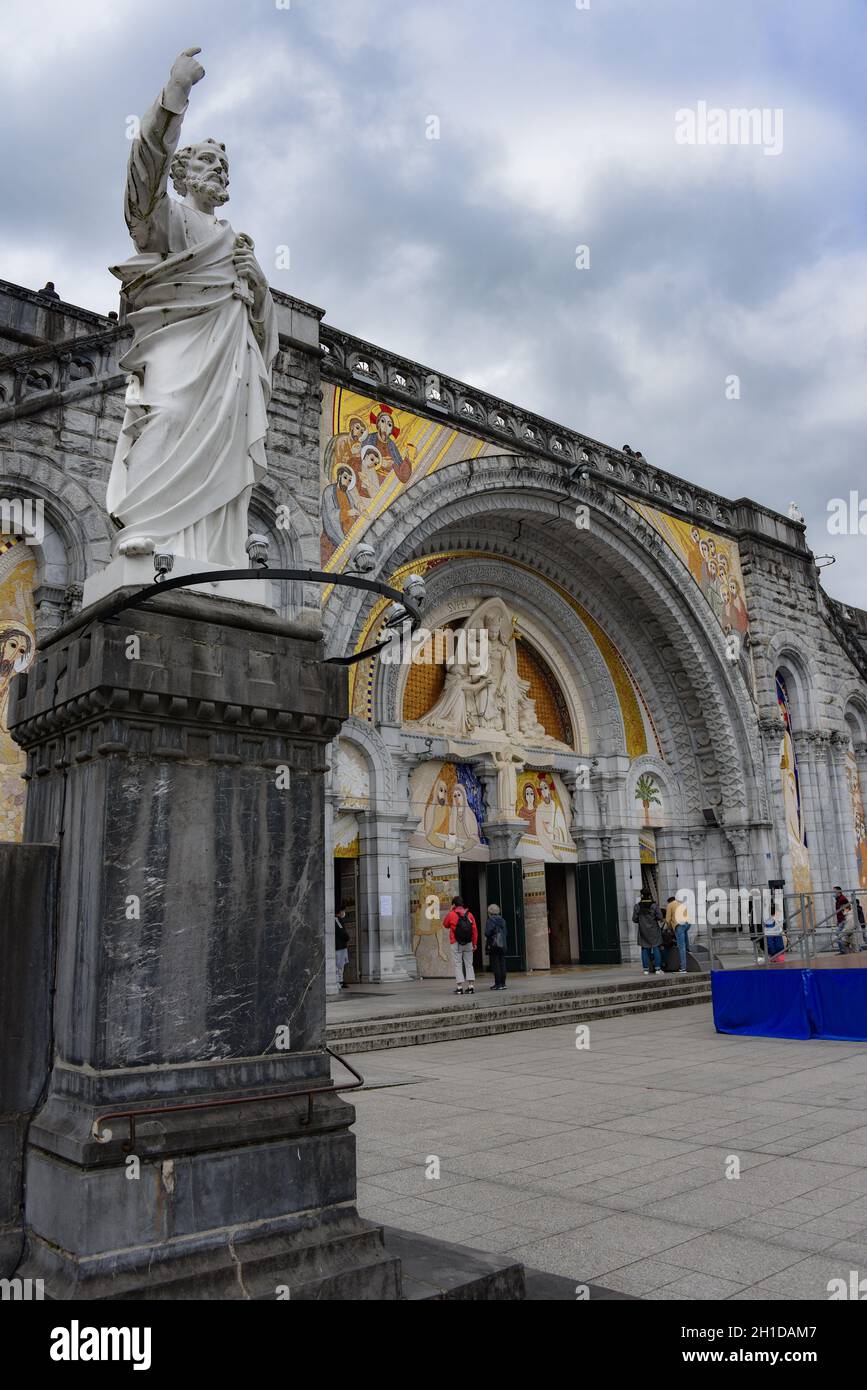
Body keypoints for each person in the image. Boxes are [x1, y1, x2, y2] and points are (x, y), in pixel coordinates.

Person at [443, 896, 477, 995]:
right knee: (469, 963)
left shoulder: (452, 914)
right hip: (468, 942)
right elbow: (474, 930)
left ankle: (459, 987)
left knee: (458, 964)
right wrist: (474, 943)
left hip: (456, 943)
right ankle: (471, 986)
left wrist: (450, 911)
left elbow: (445, 925)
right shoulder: (469, 914)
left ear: (454, 904)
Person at [632, 889, 664, 976]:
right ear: (650, 895)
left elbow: (634, 919)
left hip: (643, 931)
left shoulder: (637, 906)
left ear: (641, 895)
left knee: (645, 949)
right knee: (656, 948)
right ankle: (658, 969)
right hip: (654, 931)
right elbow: (660, 917)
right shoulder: (654, 905)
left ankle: (646, 969)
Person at [664, 894, 692, 974]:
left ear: (669, 901)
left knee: (681, 947)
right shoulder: (680, 903)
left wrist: (669, 929)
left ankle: (683, 968)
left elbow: (668, 920)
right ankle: (688, 949)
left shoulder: (670, 905)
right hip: (687, 923)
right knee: (685, 934)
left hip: (679, 925)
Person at [484, 903, 508, 991]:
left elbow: (487, 933)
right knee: (502, 963)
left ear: (490, 912)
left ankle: (497, 984)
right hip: (503, 944)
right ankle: (503, 983)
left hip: (494, 945)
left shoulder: (490, 920)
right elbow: (506, 933)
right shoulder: (503, 920)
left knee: (496, 964)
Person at [334, 907, 350, 989]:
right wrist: (347, 937)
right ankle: (339, 981)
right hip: (339, 946)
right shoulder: (336, 919)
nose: (344, 913)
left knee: (339, 965)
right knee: (339, 965)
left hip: (339, 946)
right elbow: (341, 931)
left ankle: (340, 981)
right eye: (343, 911)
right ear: (340, 912)